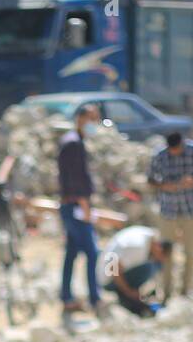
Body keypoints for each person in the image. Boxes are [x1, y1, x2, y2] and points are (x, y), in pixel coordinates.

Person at [147, 130, 193, 301]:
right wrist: (164, 186)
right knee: (166, 252)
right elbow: (150, 181)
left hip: (191, 209)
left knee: (190, 252)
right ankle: (166, 292)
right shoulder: (159, 156)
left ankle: (186, 291)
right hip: (168, 211)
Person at [57, 104, 103, 322]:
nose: (95, 123)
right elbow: (75, 179)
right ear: (82, 118)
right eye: (93, 118)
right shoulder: (73, 144)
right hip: (75, 206)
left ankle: (67, 297)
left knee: (72, 253)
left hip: (71, 206)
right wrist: (85, 207)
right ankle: (95, 298)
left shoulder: (73, 142)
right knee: (92, 252)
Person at [99, 225, 172, 318]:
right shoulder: (139, 247)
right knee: (150, 267)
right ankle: (126, 299)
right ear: (159, 248)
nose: (160, 260)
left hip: (109, 273)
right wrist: (129, 292)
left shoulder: (147, 235)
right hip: (107, 280)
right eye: (161, 257)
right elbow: (113, 269)